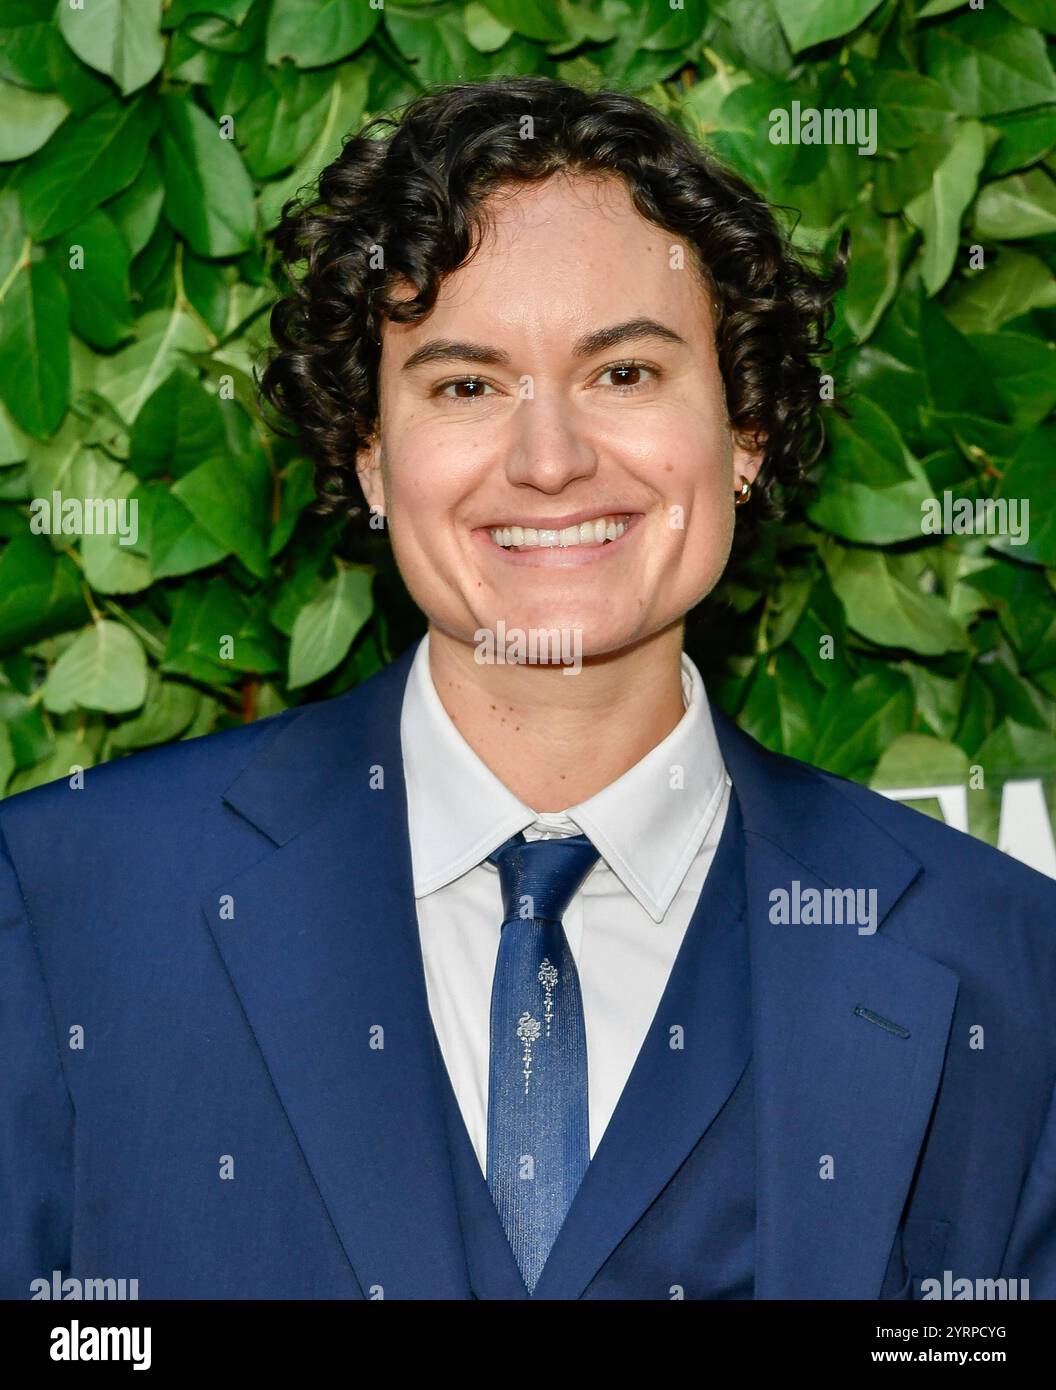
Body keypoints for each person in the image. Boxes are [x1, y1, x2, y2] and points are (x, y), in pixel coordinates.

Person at [2, 75, 1054, 1302]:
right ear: (370, 451)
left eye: (625, 374)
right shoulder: (62, 912)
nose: (549, 459)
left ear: (747, 430)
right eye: (465, 384)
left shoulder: (1002, 963)